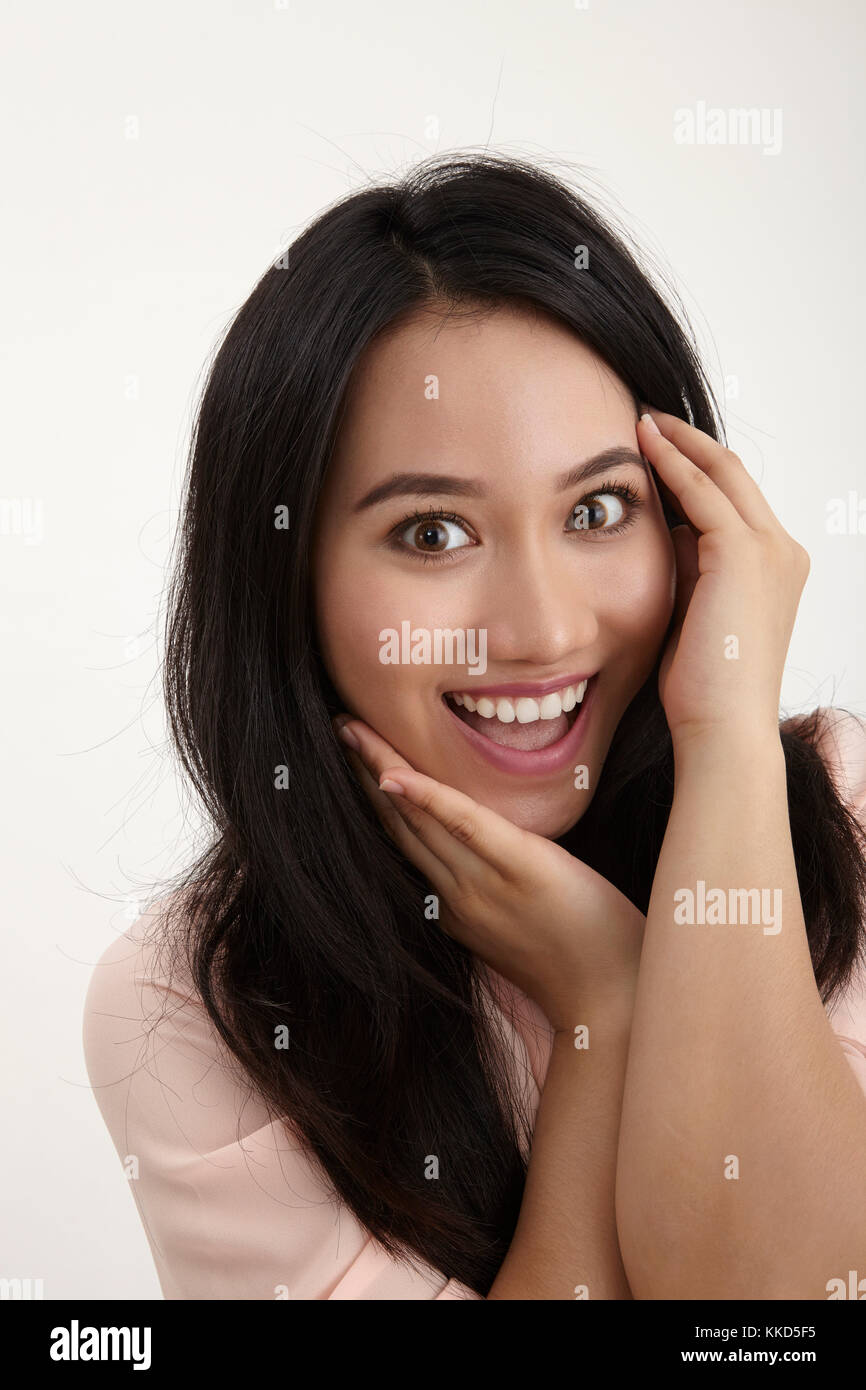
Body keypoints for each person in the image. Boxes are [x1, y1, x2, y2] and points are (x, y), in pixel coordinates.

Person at [83, 152, 866, 1300]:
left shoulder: (829, 811)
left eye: (597, 510)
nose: (543, 631)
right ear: (283, 572)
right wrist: (601, 1006)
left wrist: (726, 740)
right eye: (432, 534)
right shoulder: (203, 998)